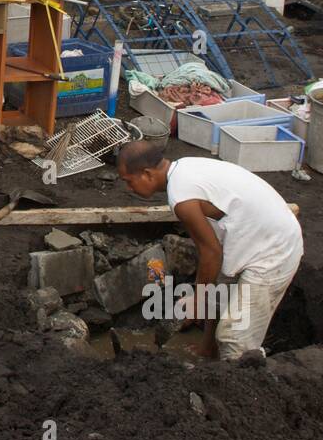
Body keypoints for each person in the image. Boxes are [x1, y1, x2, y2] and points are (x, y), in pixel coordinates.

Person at [116, 140, 303, 360]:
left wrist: (196, 299)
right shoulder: (184, 168)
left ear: (147, 174)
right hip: (256, 236)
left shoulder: (181, 197)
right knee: (216, 297)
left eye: (129, 181)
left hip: (274, 250)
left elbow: (211, 252)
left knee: (234, 337)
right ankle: (209, 349)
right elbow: (211, 261)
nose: (129, 189)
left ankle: (244, 385)